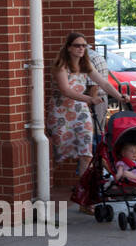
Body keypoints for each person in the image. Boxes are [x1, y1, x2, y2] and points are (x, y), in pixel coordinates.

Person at [48, 33, 113, 185]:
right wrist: (90, 99)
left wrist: (120, 96)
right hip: (61, 113)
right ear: (69, 48)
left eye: (84, 45)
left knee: (86, 154)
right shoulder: (61, 66)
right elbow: (66, 90)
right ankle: (45, 188)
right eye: (77, 45)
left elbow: (104, 83)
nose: (81, 48)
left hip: (81, 113)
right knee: (58, 153)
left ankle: (84, 195)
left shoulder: (86, 66)